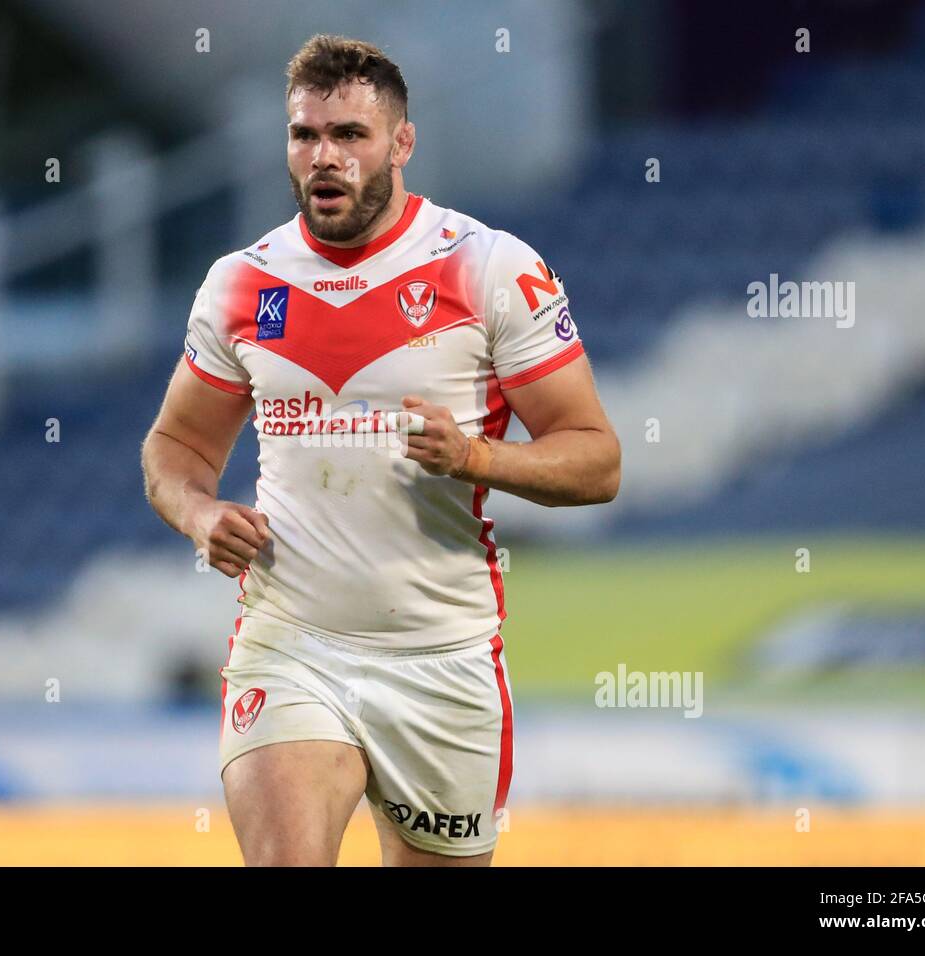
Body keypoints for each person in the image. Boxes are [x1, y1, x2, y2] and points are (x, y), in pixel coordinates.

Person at [142, 34, 620, 866]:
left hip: (443, 659)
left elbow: (597, 460)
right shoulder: (241, 282)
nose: (324, 157)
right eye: (305, 135)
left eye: (349, 136)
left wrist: (478, 460)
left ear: (401, 143)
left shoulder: (488, 267)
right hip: (291, 642)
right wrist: (197, 512)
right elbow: (175, 446)